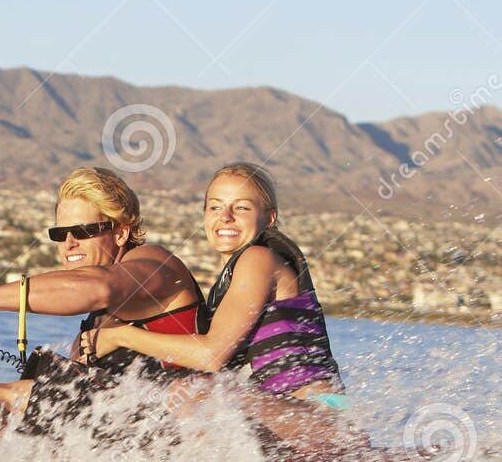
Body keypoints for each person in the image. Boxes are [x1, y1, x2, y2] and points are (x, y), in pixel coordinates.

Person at [0, 166, 201, 435]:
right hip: (128, 432)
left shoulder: (154, 263)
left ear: (121, 232)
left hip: (175, 429)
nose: (69, 244)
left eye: (83, 231)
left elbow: (99, 287)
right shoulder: (96, 319)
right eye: (60, 234)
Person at [84, 162, 345, 402]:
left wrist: (121, 337)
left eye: (241, 207)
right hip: (293, 417)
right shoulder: (237, 275)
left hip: (318, 414)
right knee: (189, 389)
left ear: (269, 218)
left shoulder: (258, 259)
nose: (226, 216)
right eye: (215, 207)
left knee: (198, 390)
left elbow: (210, 355)